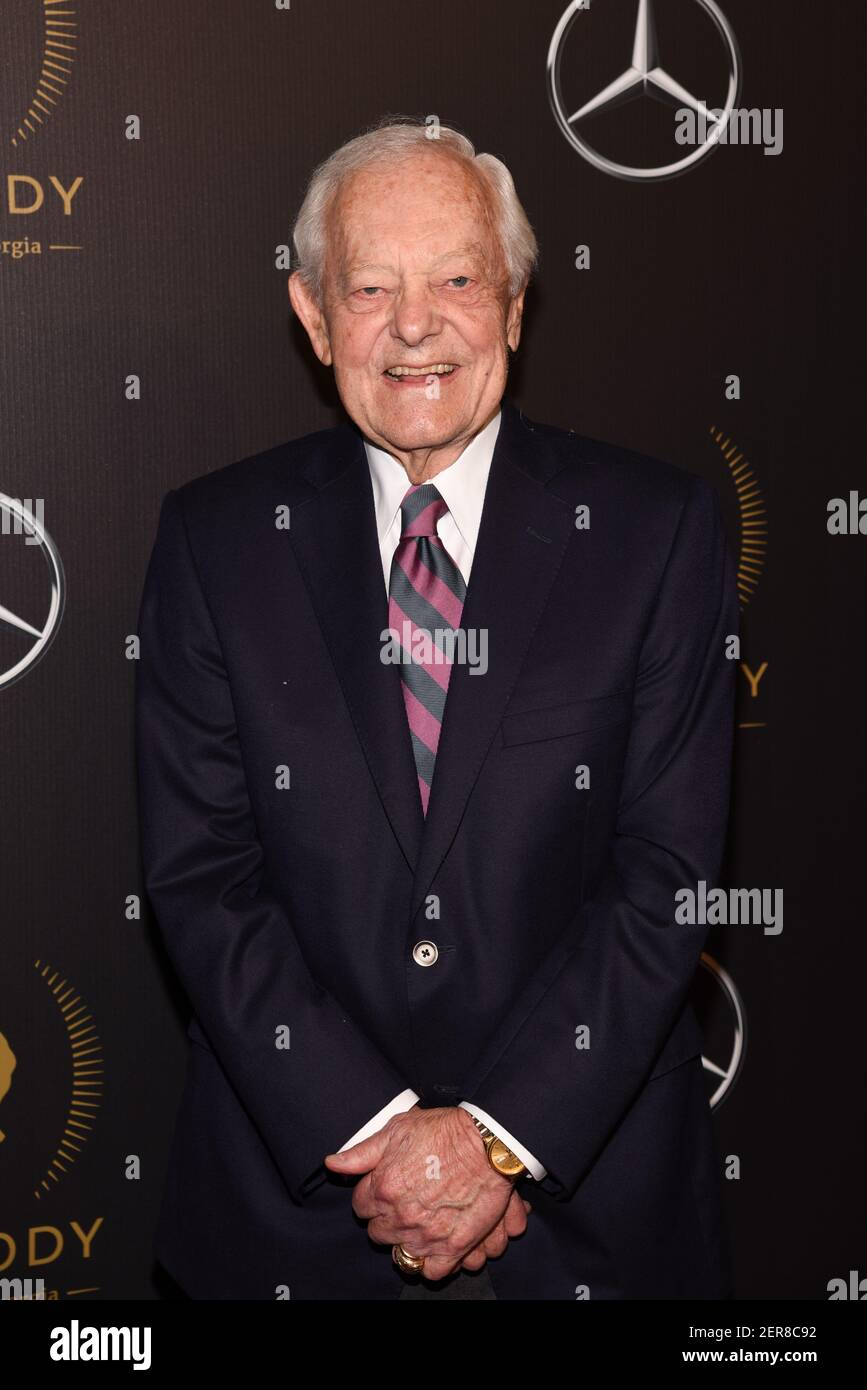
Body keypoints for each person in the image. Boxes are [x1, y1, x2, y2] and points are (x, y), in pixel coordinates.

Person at [135, 117, 737, 1301]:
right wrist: (378, 1131)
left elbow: (669, 875)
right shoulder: (215, 542)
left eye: (459, 278)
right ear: (314, 317)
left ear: (514, 303)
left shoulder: (654, 533)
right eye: (371, 286)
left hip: (590, 1224)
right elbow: (201, 874)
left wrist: (496, 1137)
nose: (417, 324)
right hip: (293, 1226)